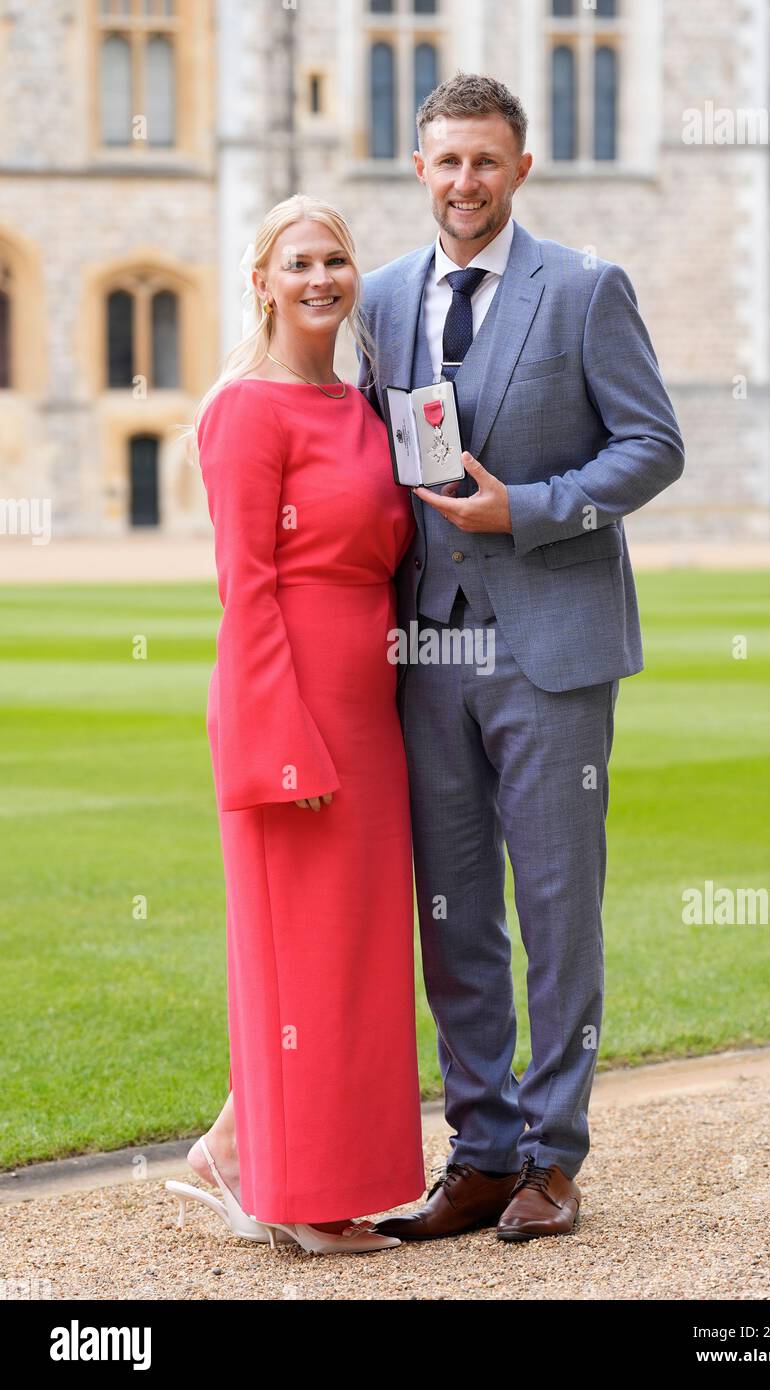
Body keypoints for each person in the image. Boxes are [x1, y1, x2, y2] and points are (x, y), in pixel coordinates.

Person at [356, 73, 685, 1242]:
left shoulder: (585, 288)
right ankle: (483, 1152)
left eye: (484, 160)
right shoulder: (379, 299)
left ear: (520, 168)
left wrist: (530, 509)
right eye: (446, 160)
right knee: (453, 916)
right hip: (425, 647)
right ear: (418, 167)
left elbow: (652, 446)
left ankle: (553, 1155)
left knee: (554, 909)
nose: (465, 181)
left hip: (550, 643)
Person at [165, 194, 425, 1257]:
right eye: (299, 262)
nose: (320, 278)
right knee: (303, 956)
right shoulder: (244, 411)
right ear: (262, 282)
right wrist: (280, 744)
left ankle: (236, 1144)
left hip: (371, 708)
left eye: (336, 260)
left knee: (353, 956)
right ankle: (301, 1194)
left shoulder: (362, 407)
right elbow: (247, 591)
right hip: (293, 707)